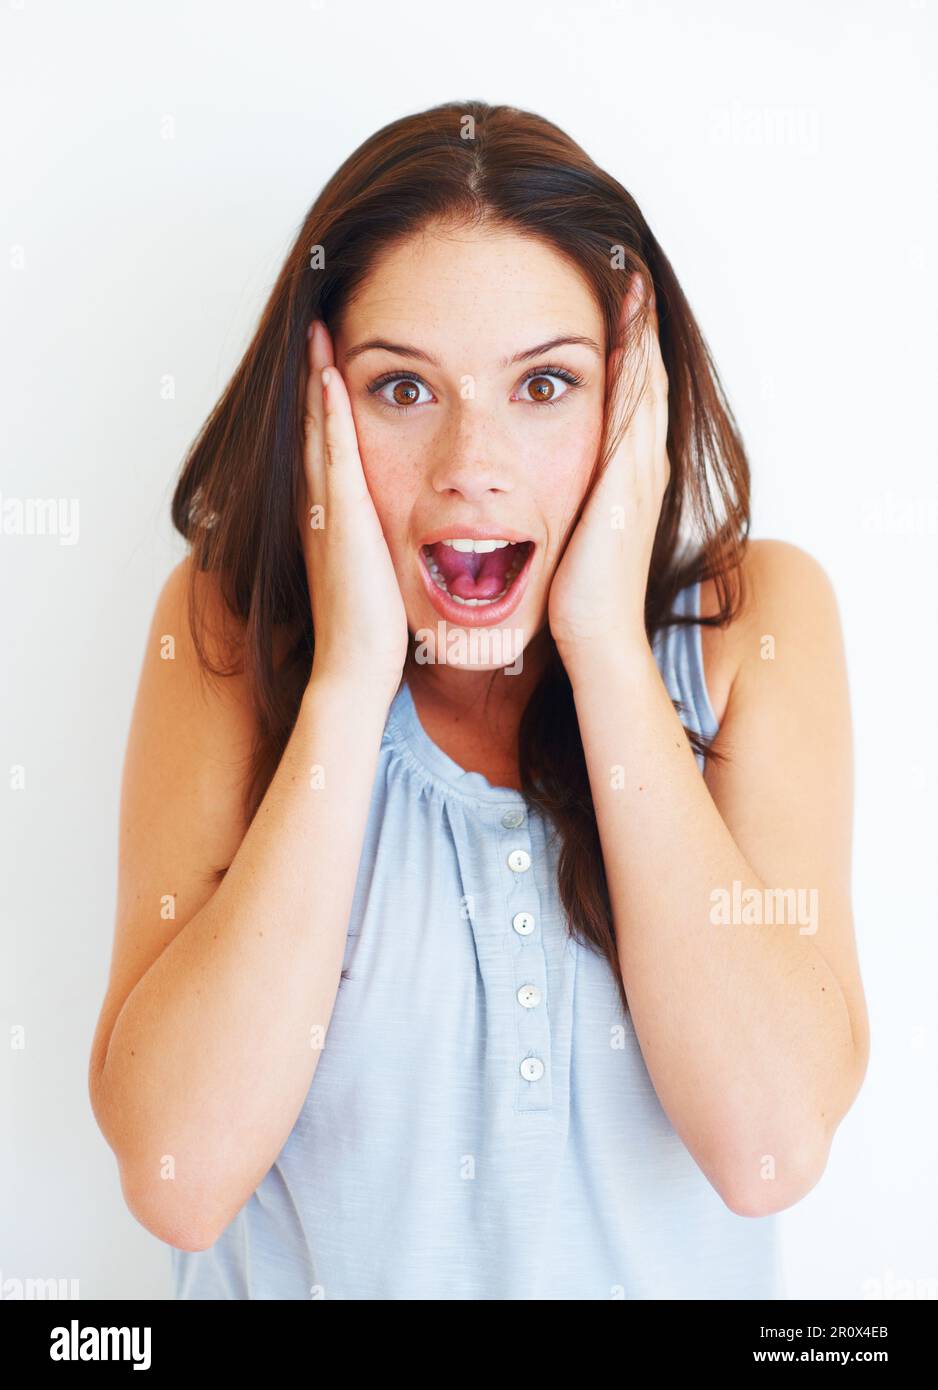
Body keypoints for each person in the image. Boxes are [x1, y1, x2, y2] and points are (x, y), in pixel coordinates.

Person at [88, 100, 869, 1300]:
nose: (471, 464)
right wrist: (348, 679)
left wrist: (604, 646)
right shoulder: (223, 638)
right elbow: (179, 1175)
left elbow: (767, 1151)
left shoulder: (749, 627)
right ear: (316, 409)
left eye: (544, 385)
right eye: (403, 390)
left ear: (629, 401)